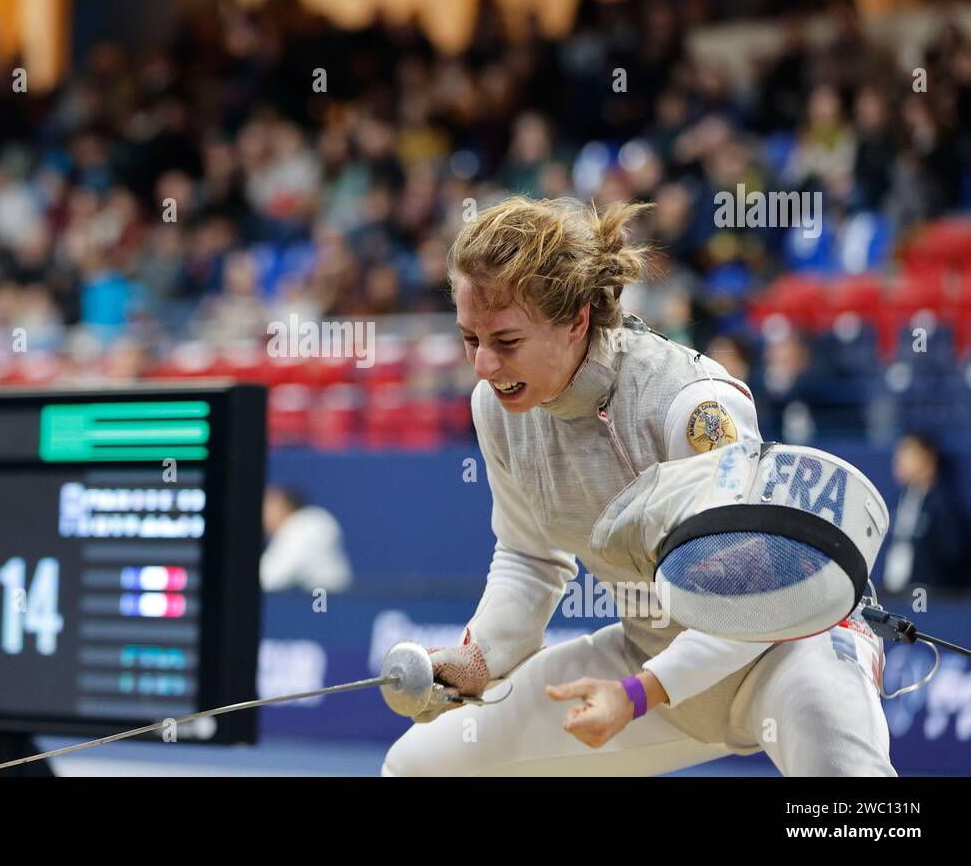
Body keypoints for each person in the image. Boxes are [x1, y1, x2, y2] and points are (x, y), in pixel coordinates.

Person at [382, 196, 892, 776]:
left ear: (576, 320)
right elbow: (529, 559)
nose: (483, 366)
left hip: (790, 648)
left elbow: (756, 587)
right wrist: (479, 659)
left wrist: (641, 692)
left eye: (507, 341)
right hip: (650, 658)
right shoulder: (497, 407)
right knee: (418, 767)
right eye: (470, 339)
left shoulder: (688, 403)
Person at [882, 432, 971, 593]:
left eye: (907, 454)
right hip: (894, 594)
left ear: (927, 458)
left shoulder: (943, 504)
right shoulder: (901, 499)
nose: (898, 461)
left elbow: (952, 554)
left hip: (927, 597)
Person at [260, 486, 352, 593]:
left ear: (283, 505)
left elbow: (271, 578)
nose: (264, 514)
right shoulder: (294, 529)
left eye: (268, 505)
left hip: (329, 604)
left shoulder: (308, 526)